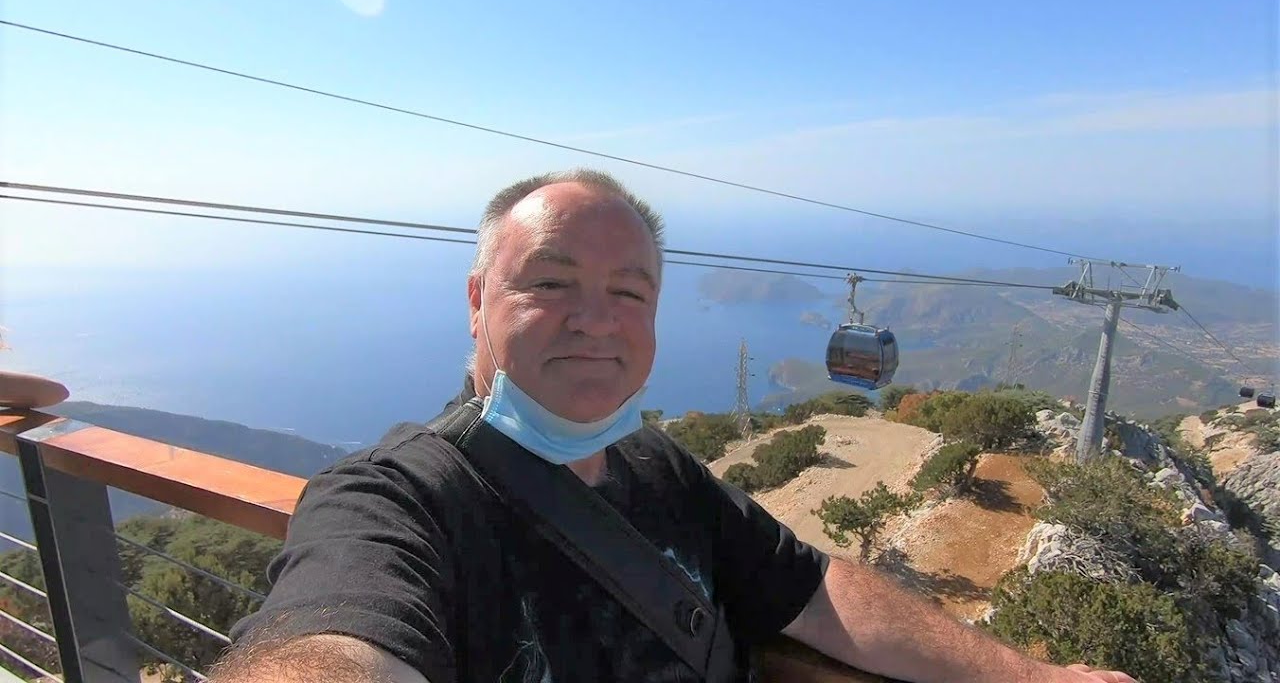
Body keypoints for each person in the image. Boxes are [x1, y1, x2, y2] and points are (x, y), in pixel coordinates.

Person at [215, 169, 1135, 683]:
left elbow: (813, 589)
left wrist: (1042, 679)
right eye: (550, 281)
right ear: (475, 302)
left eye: (630, 291)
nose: (598, 319)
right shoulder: (397, 497)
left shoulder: (655, 467)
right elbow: (335, 639)